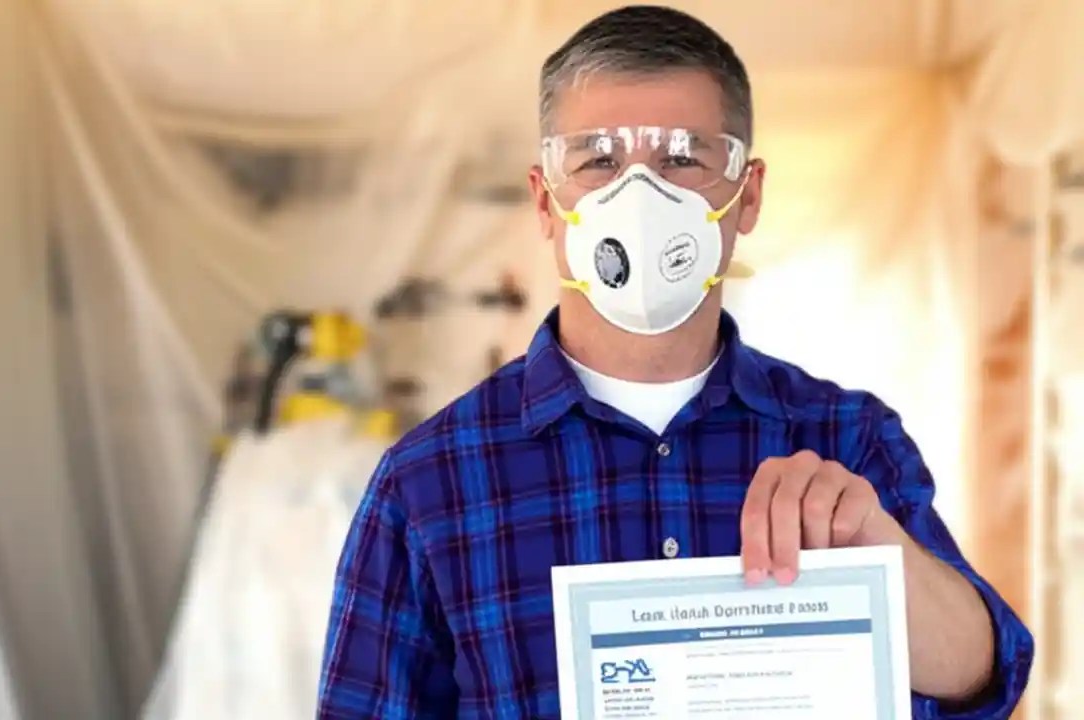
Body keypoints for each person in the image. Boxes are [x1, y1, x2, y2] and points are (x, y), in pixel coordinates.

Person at [316, 6, 1033, 718]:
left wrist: (881, 555)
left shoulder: (847, 440)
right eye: (598, 160)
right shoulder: (428, 484)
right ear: (544, 202)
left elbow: (988, 676)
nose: (639, 196)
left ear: (746, 195)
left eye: (683, 157)